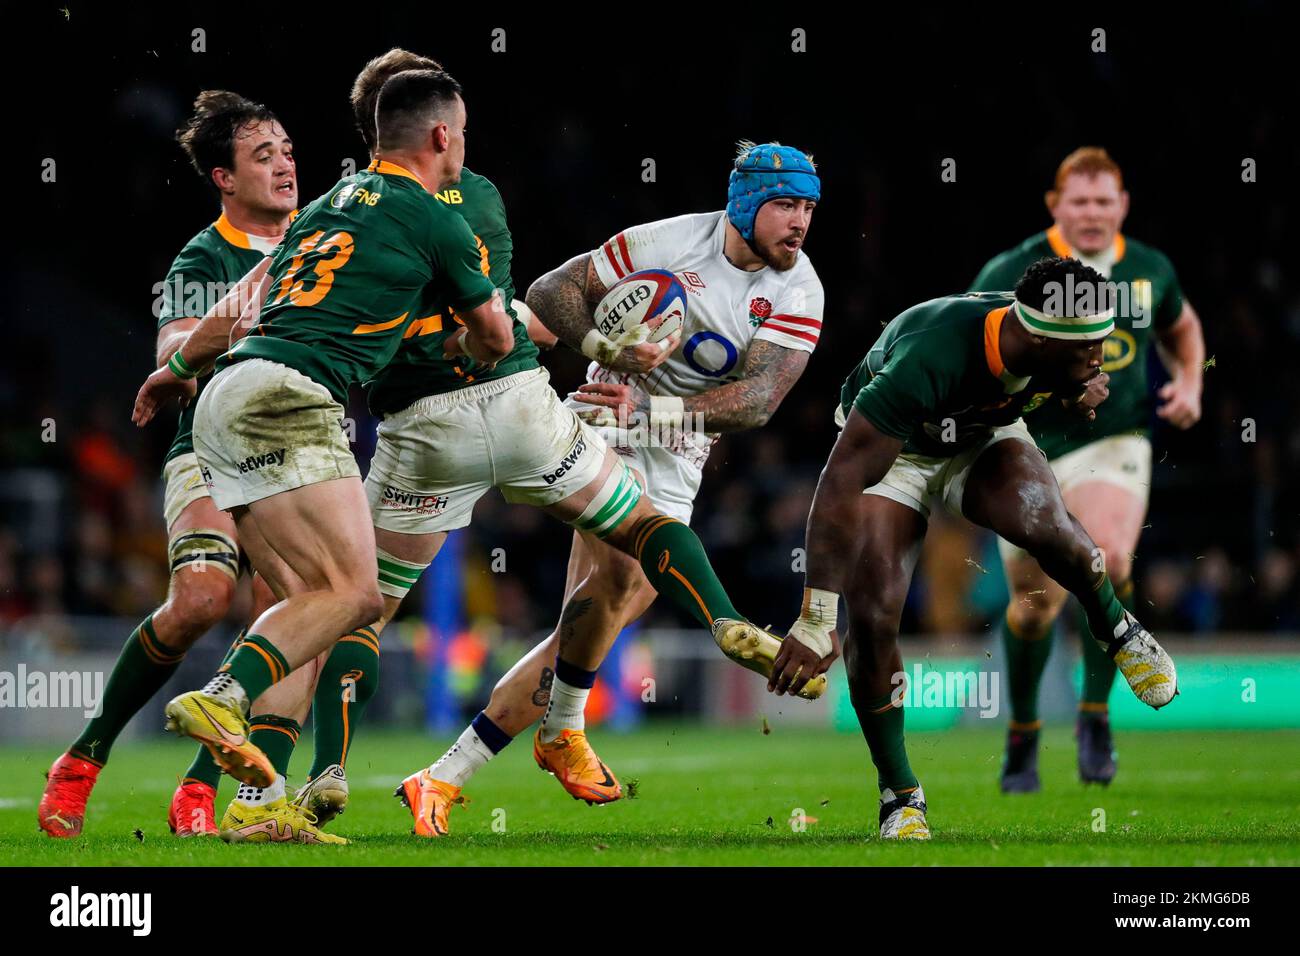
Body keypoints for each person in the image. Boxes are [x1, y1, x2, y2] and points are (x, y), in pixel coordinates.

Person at [771, 256, 1178, 840]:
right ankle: (901, 796)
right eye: (1088, 347)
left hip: (981, 437)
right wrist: (814, 617)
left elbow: (1062, 378)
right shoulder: (931, 353)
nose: (1101, 358)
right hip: (898, 453)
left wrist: (1071, 389)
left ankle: (1118, 630)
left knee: (1047, 524)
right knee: (875, 611)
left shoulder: (1044, 346)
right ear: (1041, 339)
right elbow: (840, 480)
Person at [38, 91, 296, 839]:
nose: (283, 165)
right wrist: (260, 308)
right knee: (202, 600)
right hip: (212, 447)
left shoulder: (324, 242)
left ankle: (201, 787)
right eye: (262, 155)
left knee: (288, 621)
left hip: (301, 456)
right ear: (224, 178)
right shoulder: (204, 256)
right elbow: (171, 358)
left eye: (286, 150)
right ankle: (83, 757)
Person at [969, 147, 1204, 791]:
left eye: (1105, 201)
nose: (1094, 213)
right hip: (1023, 443)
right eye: (1081, 201)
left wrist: (1190, 383)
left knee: (1108, 560)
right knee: (1035, 604)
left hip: (1114, 438)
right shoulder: (1012, 269)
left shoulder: (1149, 268)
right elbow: (974, 347)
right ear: (1056, 206)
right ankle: (1022, 734)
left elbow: (1182, 327)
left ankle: (1095, 717)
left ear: (1123, 205)